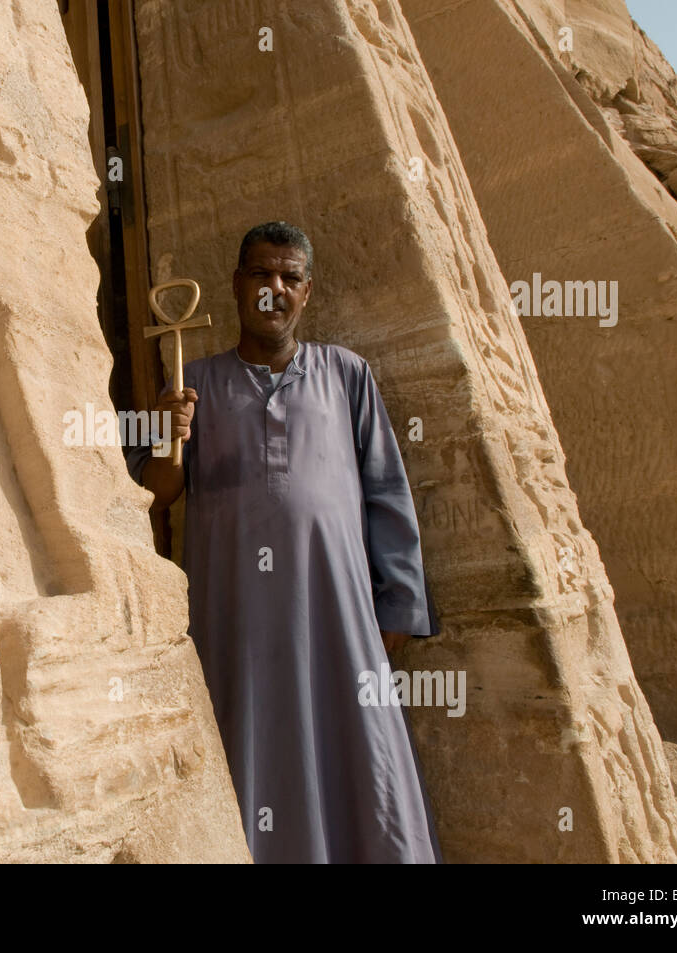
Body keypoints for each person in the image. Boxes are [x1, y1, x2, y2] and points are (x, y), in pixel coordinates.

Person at [124, 222, 443, 863]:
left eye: (289, 277)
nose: (275, 287)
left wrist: (400, 602)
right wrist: (168, 432)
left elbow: (386, 489)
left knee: (358, 748)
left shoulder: (346, 373)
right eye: (261, 273)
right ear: (238, 286)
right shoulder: (197, 383)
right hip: (236, 612)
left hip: (337, 610)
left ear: (306, 292)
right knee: (251, 743)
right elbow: (158, 493)